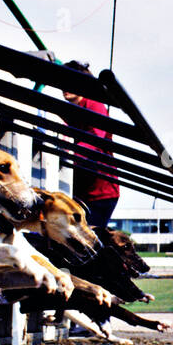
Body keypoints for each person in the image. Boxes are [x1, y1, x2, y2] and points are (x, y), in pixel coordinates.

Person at [61, 60, 120, 228]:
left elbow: (94, 140)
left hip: (100, 192)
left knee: (88, 243)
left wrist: (66, 156)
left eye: (69, 82)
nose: (64, 87)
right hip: (81, 191)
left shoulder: (94, 106)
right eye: (61, 82)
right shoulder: (69, 109)